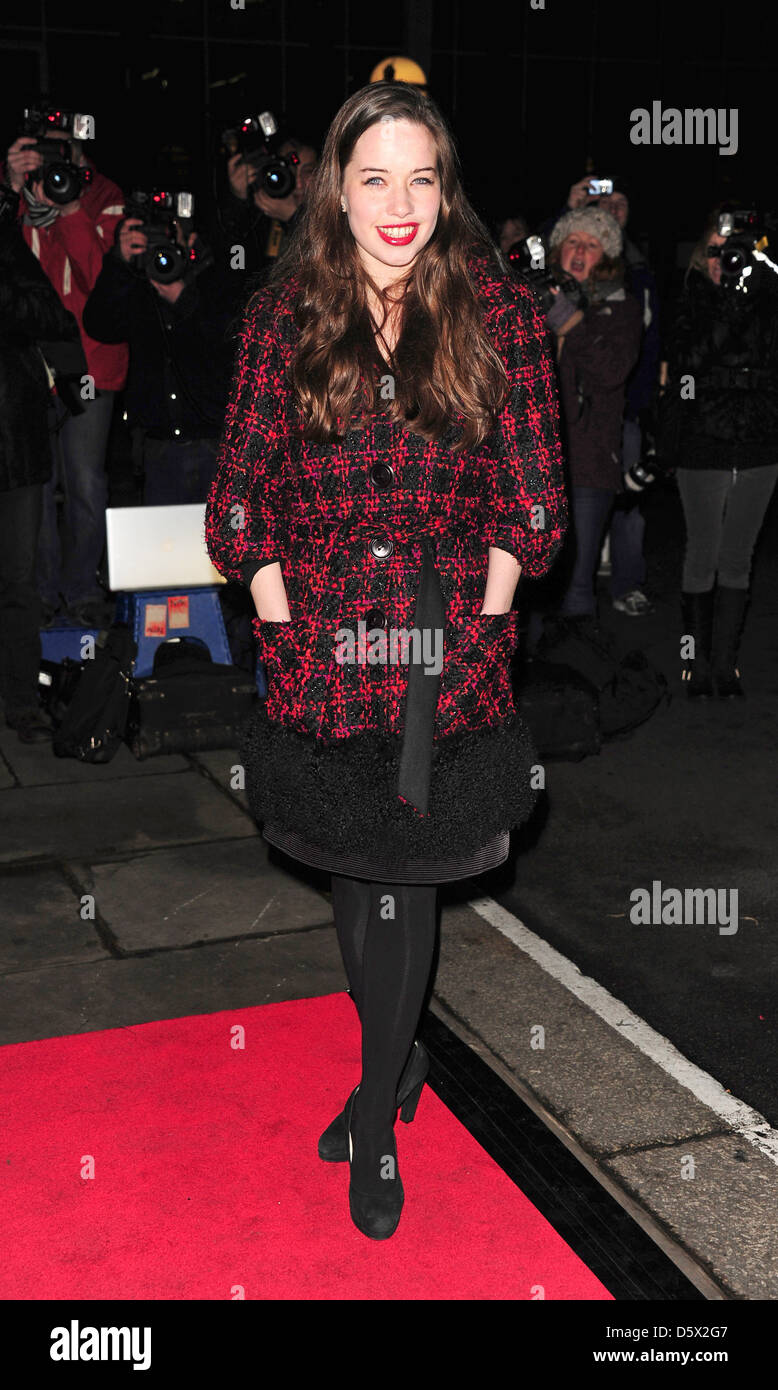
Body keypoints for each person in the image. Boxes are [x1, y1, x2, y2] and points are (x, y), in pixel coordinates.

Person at [205, 81, 567, 1240]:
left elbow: (534, 498)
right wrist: (279, 619)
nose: (400, 203)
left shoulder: (497, 313)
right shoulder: (282, 316)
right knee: (355, 878)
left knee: (408, 880)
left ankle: (370, 1115)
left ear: (444, 187)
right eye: (375, 178)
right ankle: (395, 1065)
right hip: (322, 639)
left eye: (422, 178)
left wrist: (485, 623)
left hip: (443, 642)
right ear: (335, 191)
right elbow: (235, 501)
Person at [2, 120, 127, 627]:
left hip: (92, 359)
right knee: (38, 480)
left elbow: (105, 282)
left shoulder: (104, 194)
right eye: (42, 148)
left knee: (83, 481)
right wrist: (12, 190)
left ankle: (80, 588)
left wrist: (72, 208)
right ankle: (44, 591)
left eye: (64, 147)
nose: (55, 158)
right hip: (32, 363)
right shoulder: (14, 199)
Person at [658, 210, 778, 698]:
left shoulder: (769, 297)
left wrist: (760, 283)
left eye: (733, 251)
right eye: (714, 250)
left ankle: (725, 664)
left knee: (737, 558)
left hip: (759, 441)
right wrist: (727, 306)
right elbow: (686, 365)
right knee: (701, 555)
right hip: (702, 442)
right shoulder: (690, 299)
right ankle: (695, 661)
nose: (722, 260)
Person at [83, 207, 243, 505]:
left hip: (216, 444)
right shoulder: (137, 282)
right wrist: (119, 262)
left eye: (170, 238)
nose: (163, 250)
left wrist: (184, 299)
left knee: (221, 547)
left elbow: (233, 341)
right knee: (164, 547)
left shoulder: (216, 278)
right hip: (159, 446)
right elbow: (99, 325)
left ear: (191, 238)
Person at [0, 185, 85, 741]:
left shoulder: (5, 241)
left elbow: (50, 314)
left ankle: (21, 697)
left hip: (12, 442)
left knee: (16, 580)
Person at [541, 207, 642, 619]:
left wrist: (570, 322)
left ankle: (580, 674)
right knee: (534, 582)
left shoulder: (621, 308)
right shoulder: (533, 299)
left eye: (592, 244)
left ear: (607, 256)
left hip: (588, 463)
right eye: (572, 242)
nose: (580, 250)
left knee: (578, 583)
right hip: (534, 465)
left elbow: (612, 371)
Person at [597, 182, 660, 617]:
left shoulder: (640, 271)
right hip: (579, 410)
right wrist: (570, 203)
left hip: (629, 406)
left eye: (622, 204)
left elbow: (654, 340)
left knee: (631, 499)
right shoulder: (575, 258)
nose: (614, 211)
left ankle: (627, 583)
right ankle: (573, 593)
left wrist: (651, 398)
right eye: (605, 204)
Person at [217, 135, 317, 281]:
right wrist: (238, 200)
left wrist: (293, 217)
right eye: (289, 171)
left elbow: (327, 264)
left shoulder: (337, 213)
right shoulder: (264, 208)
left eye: (307, 172)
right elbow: (235, 266)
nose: (298, 183)